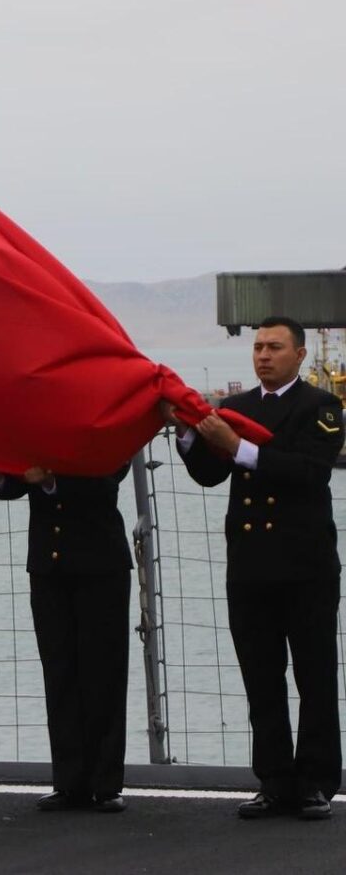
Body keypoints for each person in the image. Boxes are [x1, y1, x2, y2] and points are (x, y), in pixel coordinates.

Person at [166, 316, 343, 822]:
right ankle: (273, 780)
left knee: (314, 676)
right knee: (261, 677)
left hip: (305, 566)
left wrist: (237, 445)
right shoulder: (237, 408)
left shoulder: (321, 407)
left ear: (300, 355)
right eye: (259, 347)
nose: (263, 355)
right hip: (250, 566)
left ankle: (315, 782)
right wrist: (189, 435)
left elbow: (308, 473)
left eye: (275, 347)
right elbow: (210, 474)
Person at [0, 459, 131, 812]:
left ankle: (105, 783)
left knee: (103, 674)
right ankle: (69, 781)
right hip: (48, 564)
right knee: (59, 674)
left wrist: (51, 482)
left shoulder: (106, 435)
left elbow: (107, 478)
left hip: (100, 562)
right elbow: (14, 484)